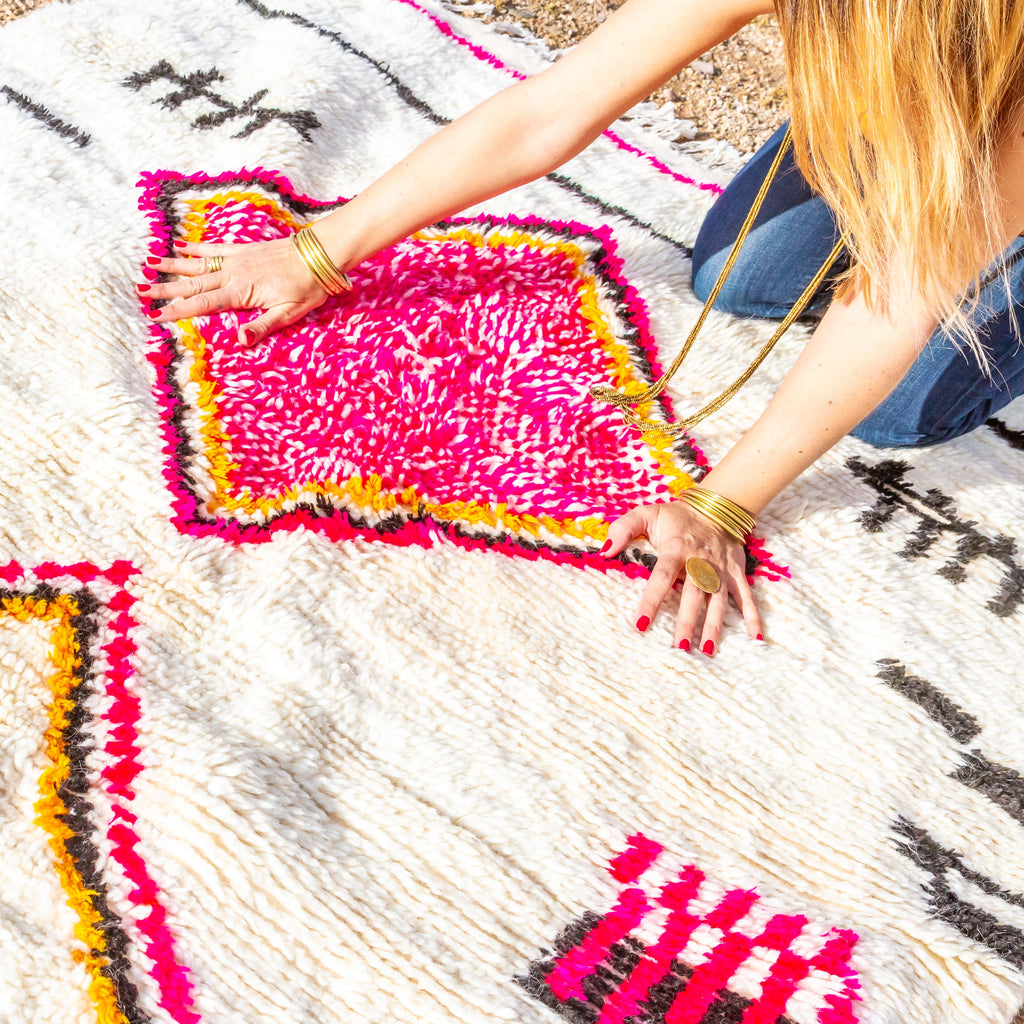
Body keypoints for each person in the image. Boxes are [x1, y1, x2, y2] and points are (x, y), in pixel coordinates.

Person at [136, 0, 1024, 656]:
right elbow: (552, 109)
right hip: (933, 80)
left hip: (999, 97)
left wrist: (726, 500)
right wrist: (325, 249)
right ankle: (904, 121)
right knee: (734, 277)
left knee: (896, 410)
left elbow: (902, 291)